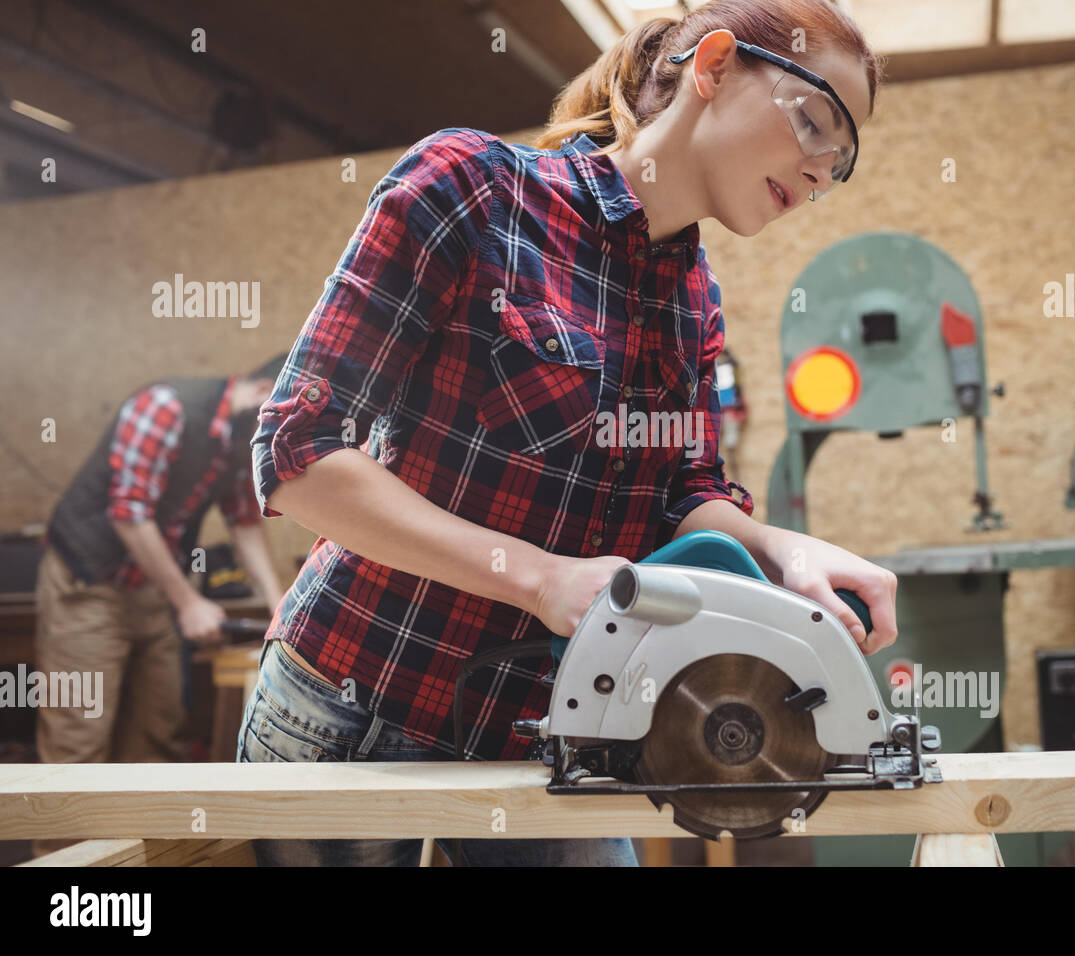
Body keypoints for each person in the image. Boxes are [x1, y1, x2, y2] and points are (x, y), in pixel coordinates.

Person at [239, 0, 896, 867]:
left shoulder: (693, 299)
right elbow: (297, 454)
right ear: (712, 68)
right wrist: (541, 580)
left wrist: (782, 551)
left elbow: (684, 492)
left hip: (550, 730)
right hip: (356, 700)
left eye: (838, 165)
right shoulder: (473, 185)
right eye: (813, 122)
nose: (818, 172)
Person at [32, 352, 287, 855]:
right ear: (262, 394)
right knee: (78, 743)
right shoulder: (166, 407)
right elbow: (129, 514)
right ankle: (63, 868)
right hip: (89, 586)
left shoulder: (240, 443)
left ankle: (139, 867)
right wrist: (188, 603)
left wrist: (279, 606)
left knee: (158, 735)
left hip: (151, 590)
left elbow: (243, 522)